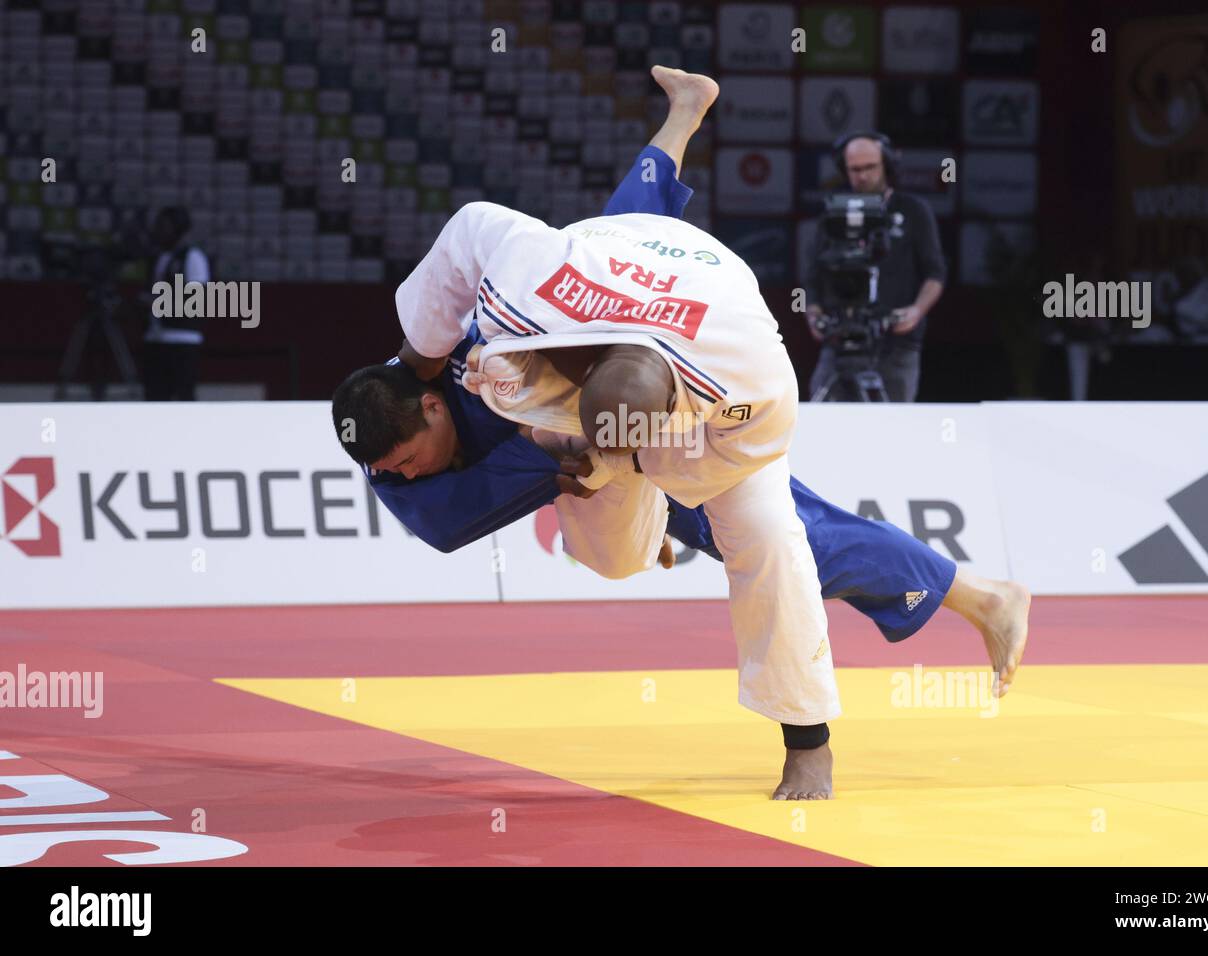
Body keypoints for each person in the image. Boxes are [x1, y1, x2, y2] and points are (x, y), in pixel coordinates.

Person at [334, 68, 1030, 800]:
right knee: (616, 546)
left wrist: (624, 464)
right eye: (402, 466)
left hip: (678, 424)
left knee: (780, 538)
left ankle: (916, 650)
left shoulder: (736, 369)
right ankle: (978, 596)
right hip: (587, 409)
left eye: (408, 464)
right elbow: (559, 227)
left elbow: (638, 233)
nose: (405, 475)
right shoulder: (441, 389)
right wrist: (429, 353)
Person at [804, 132, 946, 403]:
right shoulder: (833, 213)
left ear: (887, 165)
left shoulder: (914, 210)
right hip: (839, 341)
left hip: (897, 344)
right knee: (821, 422)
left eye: (870, 167)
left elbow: (935, 273)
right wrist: (814, 313)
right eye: (855, 169)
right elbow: (813, 274)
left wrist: (917, 310)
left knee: (893, 429)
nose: (863, 175)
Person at [140, 207, 209, 401]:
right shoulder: (158, 258)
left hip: (182, 339)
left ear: (179, 228)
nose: (159, 230)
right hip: (156, 337)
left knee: (183, 399)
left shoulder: (193, 257)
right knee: (155, 398)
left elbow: (197, 299)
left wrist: (160, 303)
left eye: (165, 226)